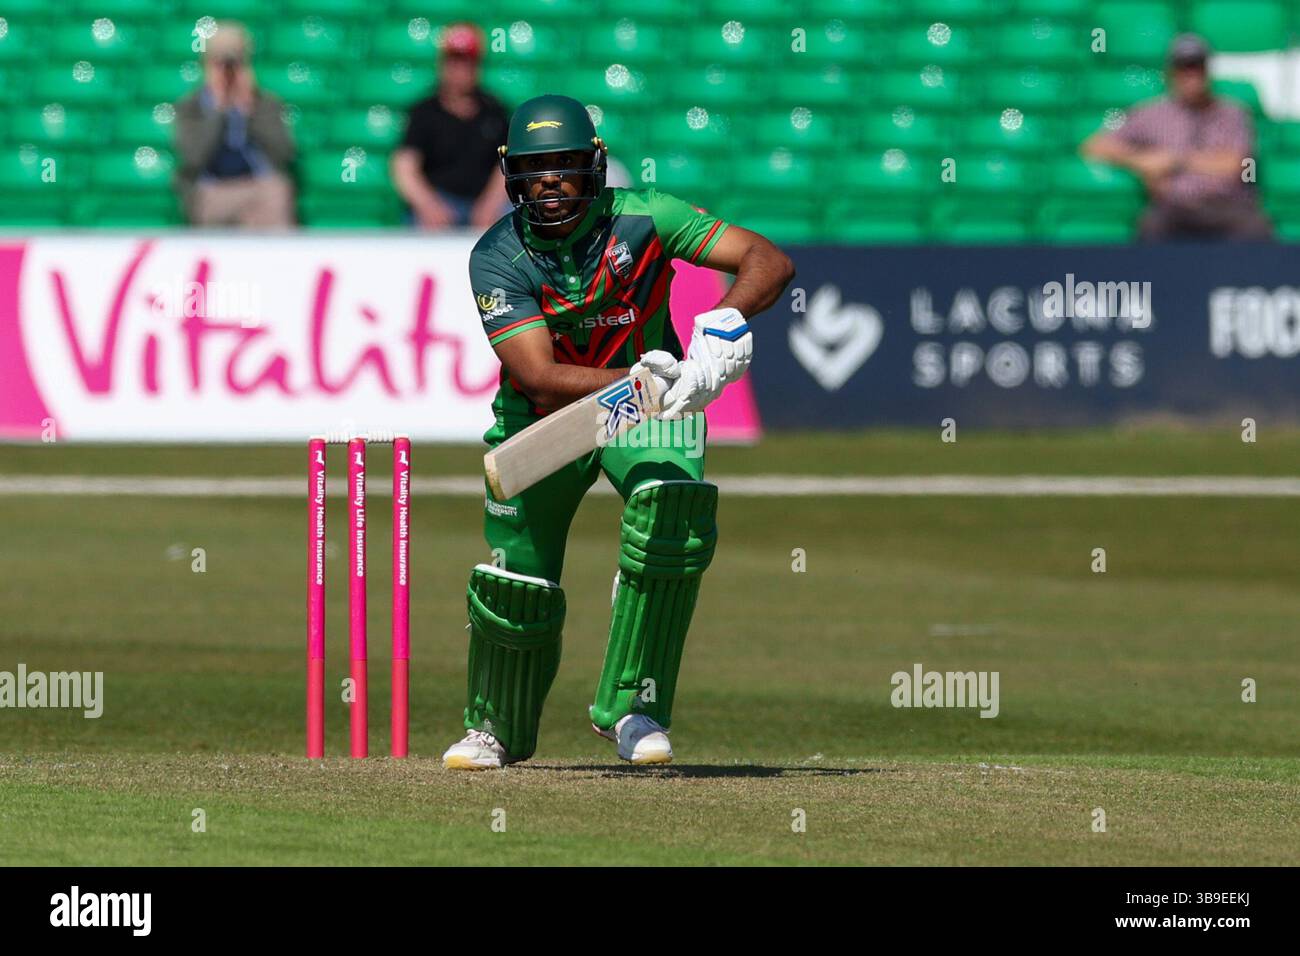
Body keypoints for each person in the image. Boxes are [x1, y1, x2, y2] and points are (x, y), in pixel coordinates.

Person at [441, 94, 794, 770]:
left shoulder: (646, 215)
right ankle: (495, 728)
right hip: (547, 417)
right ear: (512, 174)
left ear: (594, 166)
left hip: (651, 411)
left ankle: (635, 708)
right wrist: (645, 378)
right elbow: (539, 375)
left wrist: (722, 324)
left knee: (671, 518)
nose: (551, 183)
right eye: (537, 170)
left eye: (565, 167)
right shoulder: (496, 255)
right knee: (519, 584)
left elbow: (767, 261)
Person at [1082, 33, 1272, 241]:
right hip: (1172, 208)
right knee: (1150, 228)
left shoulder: (1232, 113)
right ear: (1171, 72)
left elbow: (1235, 164)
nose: (1191, 75)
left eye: (1196, 67)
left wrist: (1173, 160)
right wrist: (1141, 160)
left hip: (1227, 206)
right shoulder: (1151, 113)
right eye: (1184, 68)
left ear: (1207, 70)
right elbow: (1094, 146)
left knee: (1256, 230)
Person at [174, 22, 296, 228]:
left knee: (275, 191)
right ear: (206, 64)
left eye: (235, 64)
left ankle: (277, 258)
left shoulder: (265, 103)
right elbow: (193, 158)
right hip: (211, 190)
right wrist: (217, 110)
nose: (228, 72)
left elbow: (283, 153)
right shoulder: (191, 107)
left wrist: (250, 110)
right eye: (220, 64)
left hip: (257, 185)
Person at [390, 23, 510, 230]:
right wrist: (428, 204)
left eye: (467, 62)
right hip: (440, 201)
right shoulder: (424, 112)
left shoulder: (494, 111)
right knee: (419, 223)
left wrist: (491, 203)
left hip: (483, 202)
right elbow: (404, 166)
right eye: (454, 61)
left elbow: (506, 165)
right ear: (443, 63)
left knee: (510, 217)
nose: (460, 70)